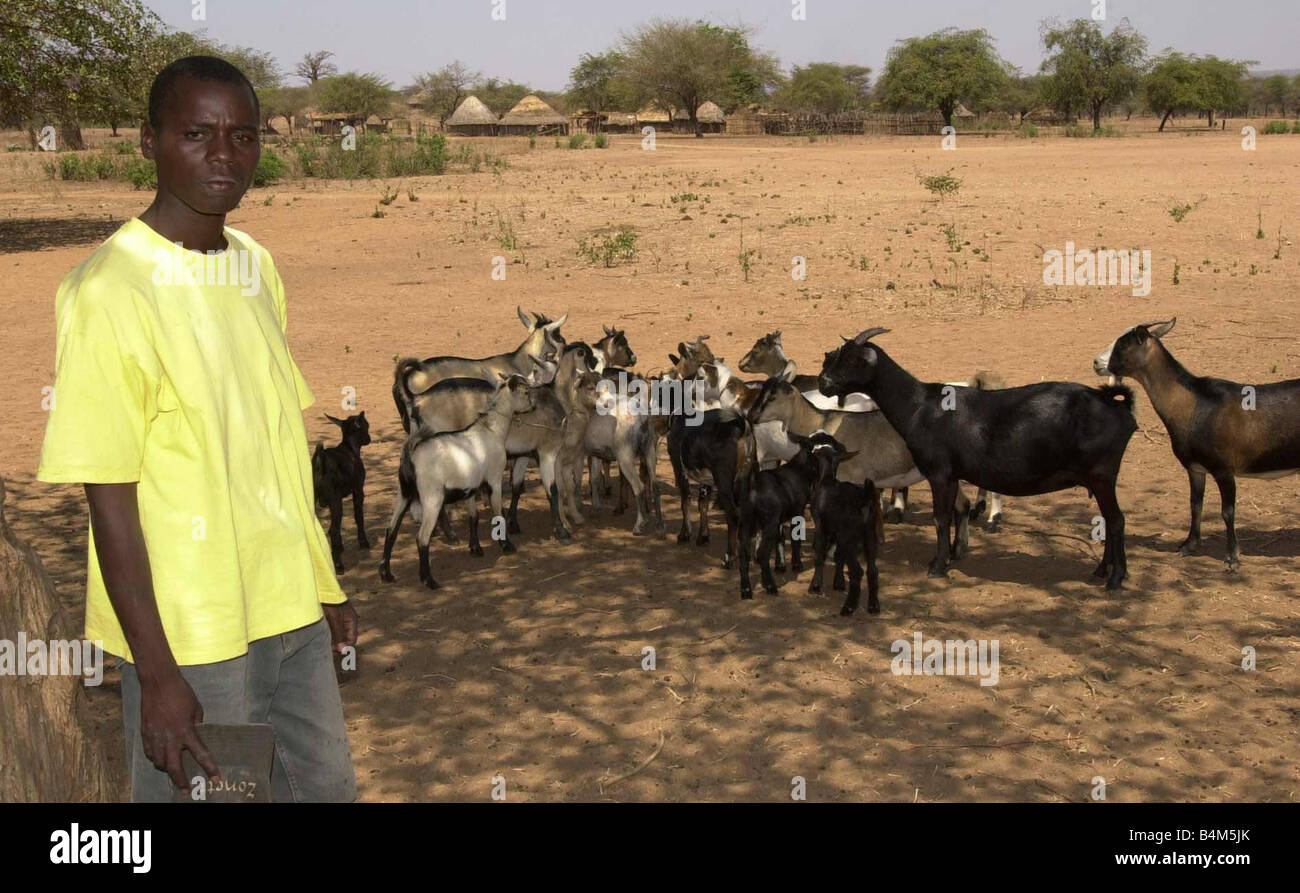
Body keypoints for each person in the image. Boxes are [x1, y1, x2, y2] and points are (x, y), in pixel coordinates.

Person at [36, 56, 357, 802]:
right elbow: (109, 497)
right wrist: (156, 674)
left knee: (326, 789)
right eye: (197, 133)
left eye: (243, 136)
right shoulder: (109, 291)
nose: (224, 155)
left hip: (288, 613)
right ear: (149, 143)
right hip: (192, 634)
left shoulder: (255, 266)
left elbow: (276, 446)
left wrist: (322, 581)